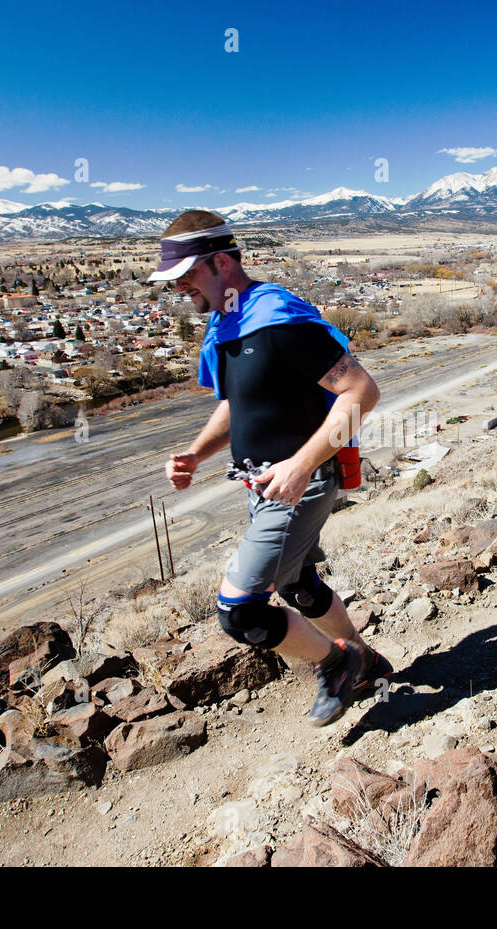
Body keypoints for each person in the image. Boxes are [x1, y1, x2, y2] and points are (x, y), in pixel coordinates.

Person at [155, 210, 391, 726]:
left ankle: (339, 663)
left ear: (220, 262)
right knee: (297, 585)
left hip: (298, 486)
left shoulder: (279, 320)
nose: (180, 290)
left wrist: (302, 465)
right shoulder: (228, 323)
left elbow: (361, 392)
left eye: (186, 276)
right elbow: (238, 403)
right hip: (261, 484)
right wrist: (197, 454)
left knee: (240, 611)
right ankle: (364, 663)